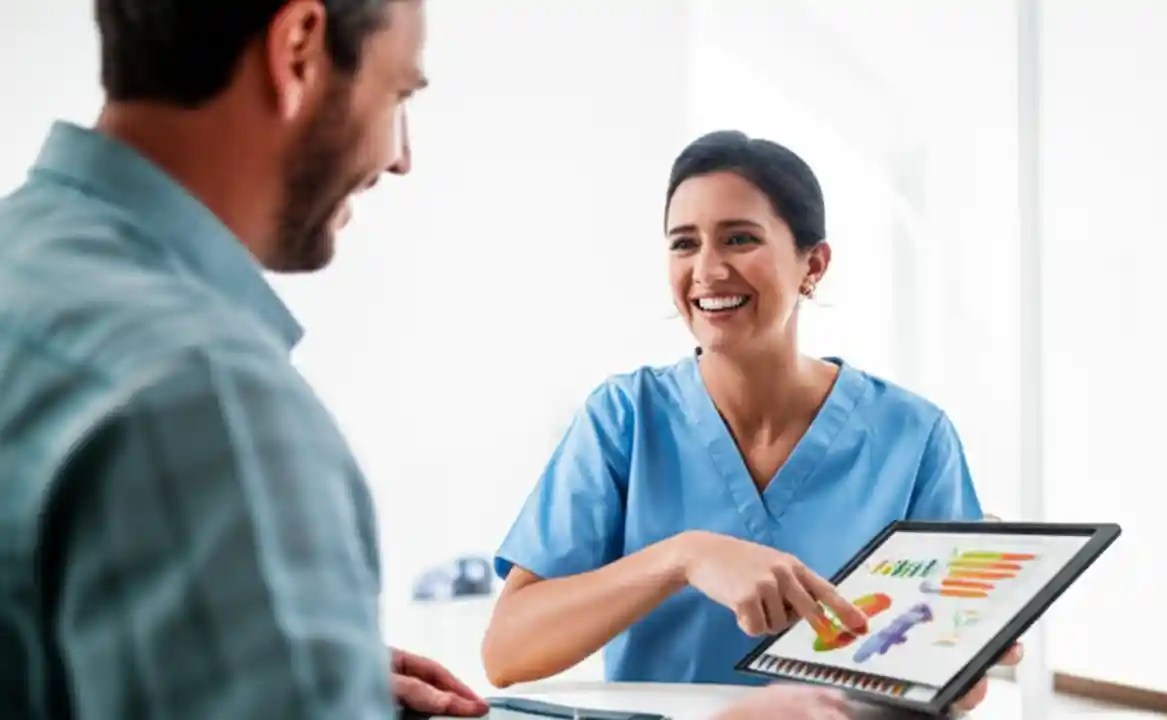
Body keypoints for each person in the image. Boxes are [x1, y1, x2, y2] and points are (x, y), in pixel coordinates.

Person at [0, 3, 854, 719]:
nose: (400, 154)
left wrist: (296, 671)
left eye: (741, 239)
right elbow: (512, 647)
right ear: (297, 50)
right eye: (398, 91)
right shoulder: (209, 396)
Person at [483, 130, 1021, 713]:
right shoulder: (624, 419)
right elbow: (508, 652)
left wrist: (972, 644)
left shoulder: (913, 437)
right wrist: (683, 558)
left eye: (739, 239)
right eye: (684, 244)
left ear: (812, 264)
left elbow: (958, 693)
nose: (708, 270)